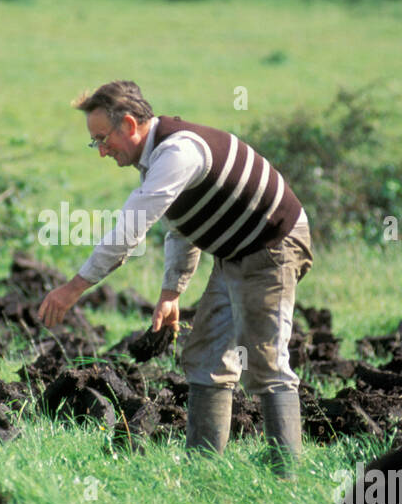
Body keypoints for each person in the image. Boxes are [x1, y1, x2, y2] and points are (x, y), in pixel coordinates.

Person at [37, 80, 313, 475]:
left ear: (130, 125)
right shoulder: (159, 161)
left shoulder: (177, 154)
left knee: (265, 361)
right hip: (236, 252)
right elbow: (183, 226)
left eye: (102, 138)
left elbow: (131, 229)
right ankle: (202, 471)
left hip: (272, 245)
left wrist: (74, 287)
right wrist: (171, 292)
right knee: (205, 354)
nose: (100, 150)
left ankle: (286, 477)